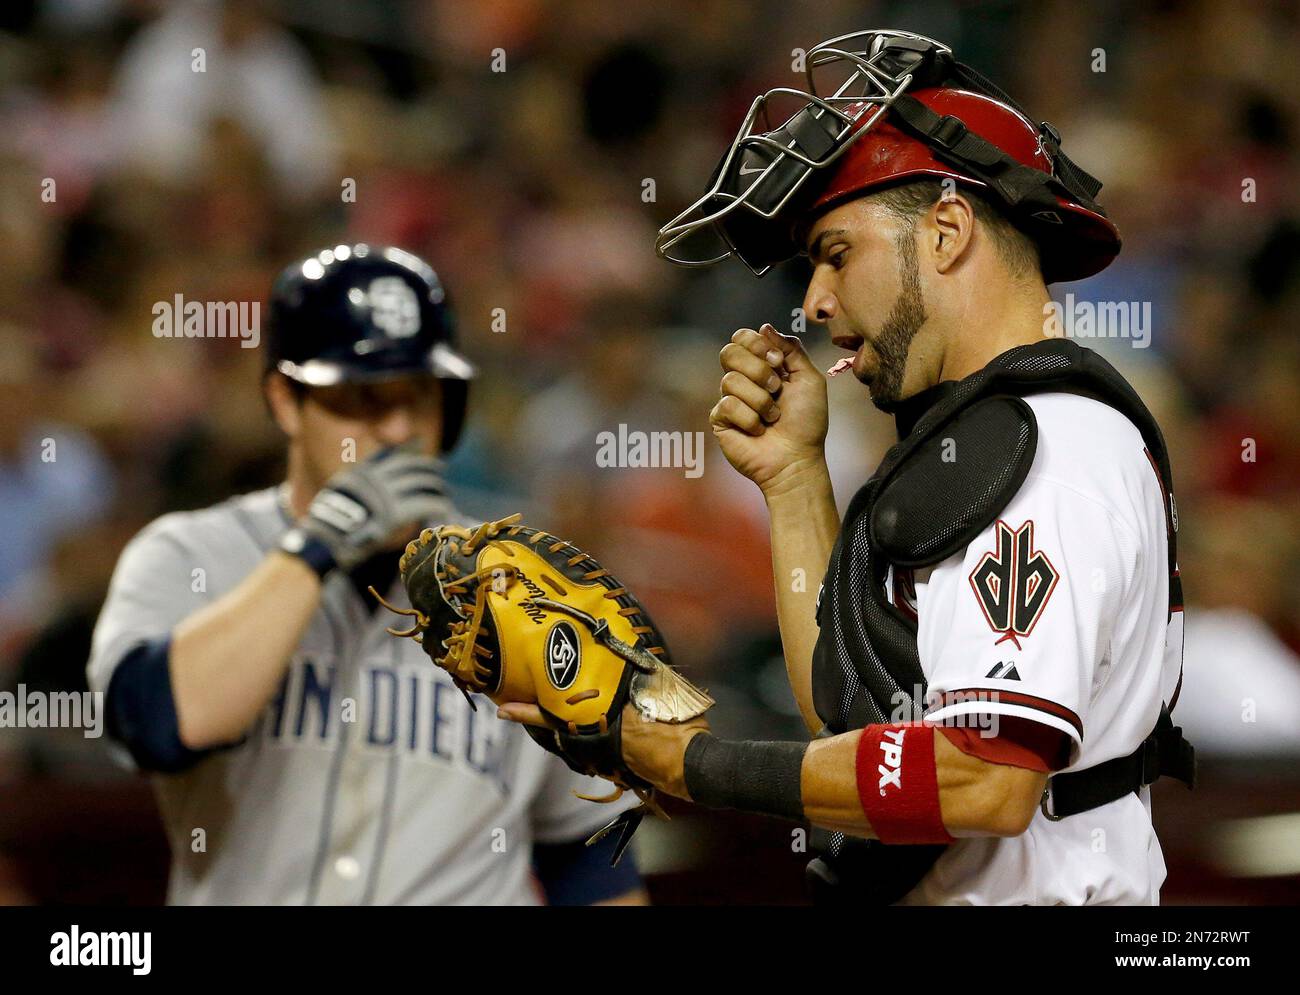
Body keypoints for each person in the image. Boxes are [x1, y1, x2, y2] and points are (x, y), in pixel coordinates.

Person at [503, 29, 1194, 906]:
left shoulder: (1046, 453)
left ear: (946, 231)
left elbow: (986, 777)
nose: (815, 302)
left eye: (836, 253)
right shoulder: (981, 439)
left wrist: (684, 758)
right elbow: (857, 708)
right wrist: (793, 479)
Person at [87, 244, 646, 906]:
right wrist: (318, 546)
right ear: (285, 400)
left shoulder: (527, 586)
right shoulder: (190, 554)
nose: (398, 428)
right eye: (361, 399)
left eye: (420, 397)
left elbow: (589, 855)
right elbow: (163, 725)